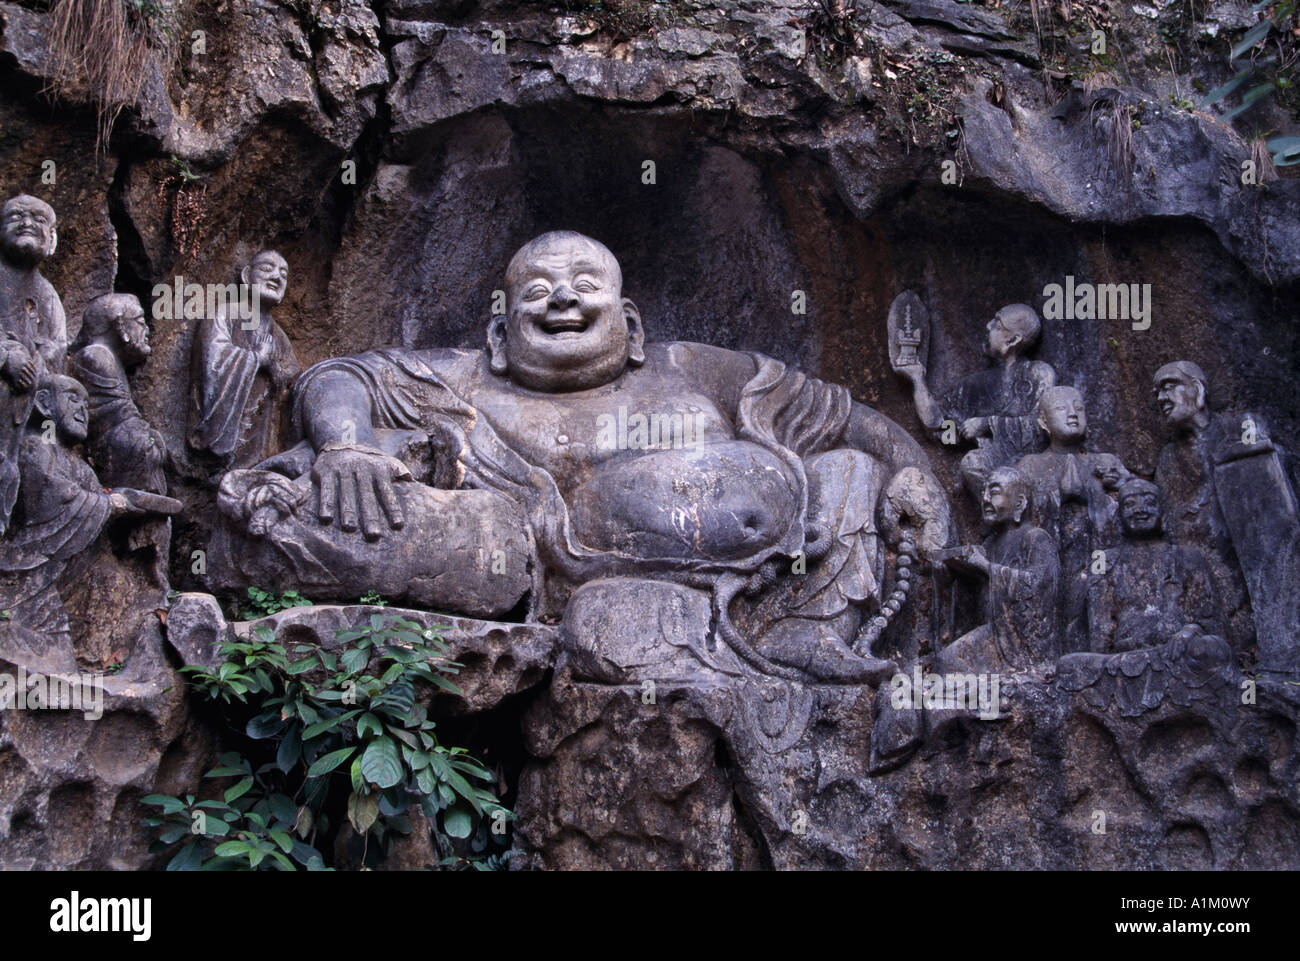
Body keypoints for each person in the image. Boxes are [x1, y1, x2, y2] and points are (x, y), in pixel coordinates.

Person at [229, 231, 951, 683]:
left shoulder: (694, 369)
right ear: (499, 333)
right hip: (580, 589)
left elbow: (844, 418)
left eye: (584, 286)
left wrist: (917, 471)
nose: (562, 300)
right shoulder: (465, 379)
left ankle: (813, 640)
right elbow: (338, 376)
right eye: (536, 291)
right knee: (474, 540)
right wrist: (348, 446)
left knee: (852, 473)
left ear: (630, 324)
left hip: (795, 571)